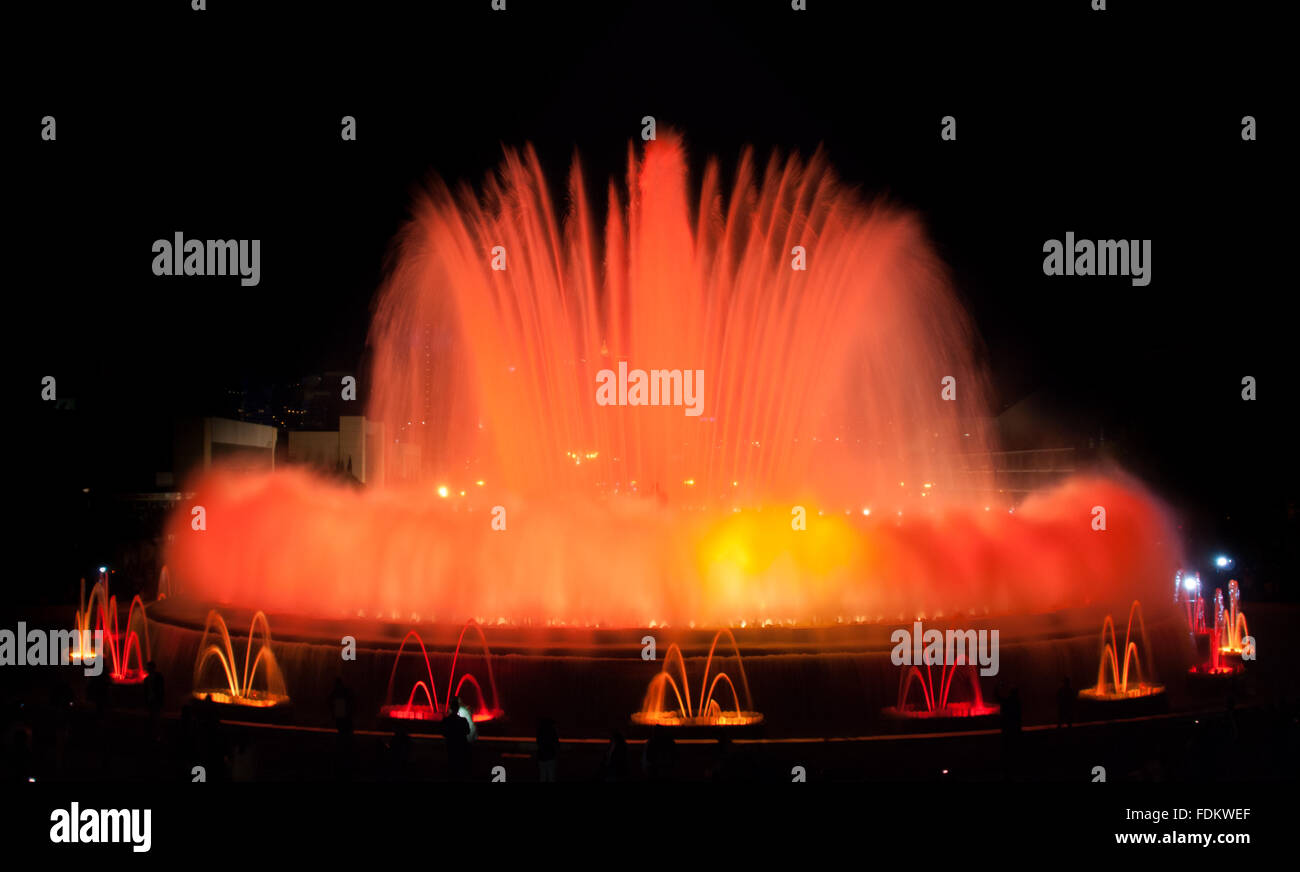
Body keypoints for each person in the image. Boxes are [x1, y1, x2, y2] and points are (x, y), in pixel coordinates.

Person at [440, 696, 471, 780]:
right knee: (460, 765)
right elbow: (468, 731)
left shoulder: (446, 720)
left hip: (450, 745)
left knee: (451, 764)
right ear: (458, 709)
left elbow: (443, 733)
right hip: (461, 746)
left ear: (450, 708)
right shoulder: (463, 720)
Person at [536, 717, 559, 782]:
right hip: (551, 756)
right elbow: (556, 744)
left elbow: (538, 743)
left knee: (542, 775)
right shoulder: (553, 732)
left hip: (542, 756)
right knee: (551, 776)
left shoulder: (540, 731)